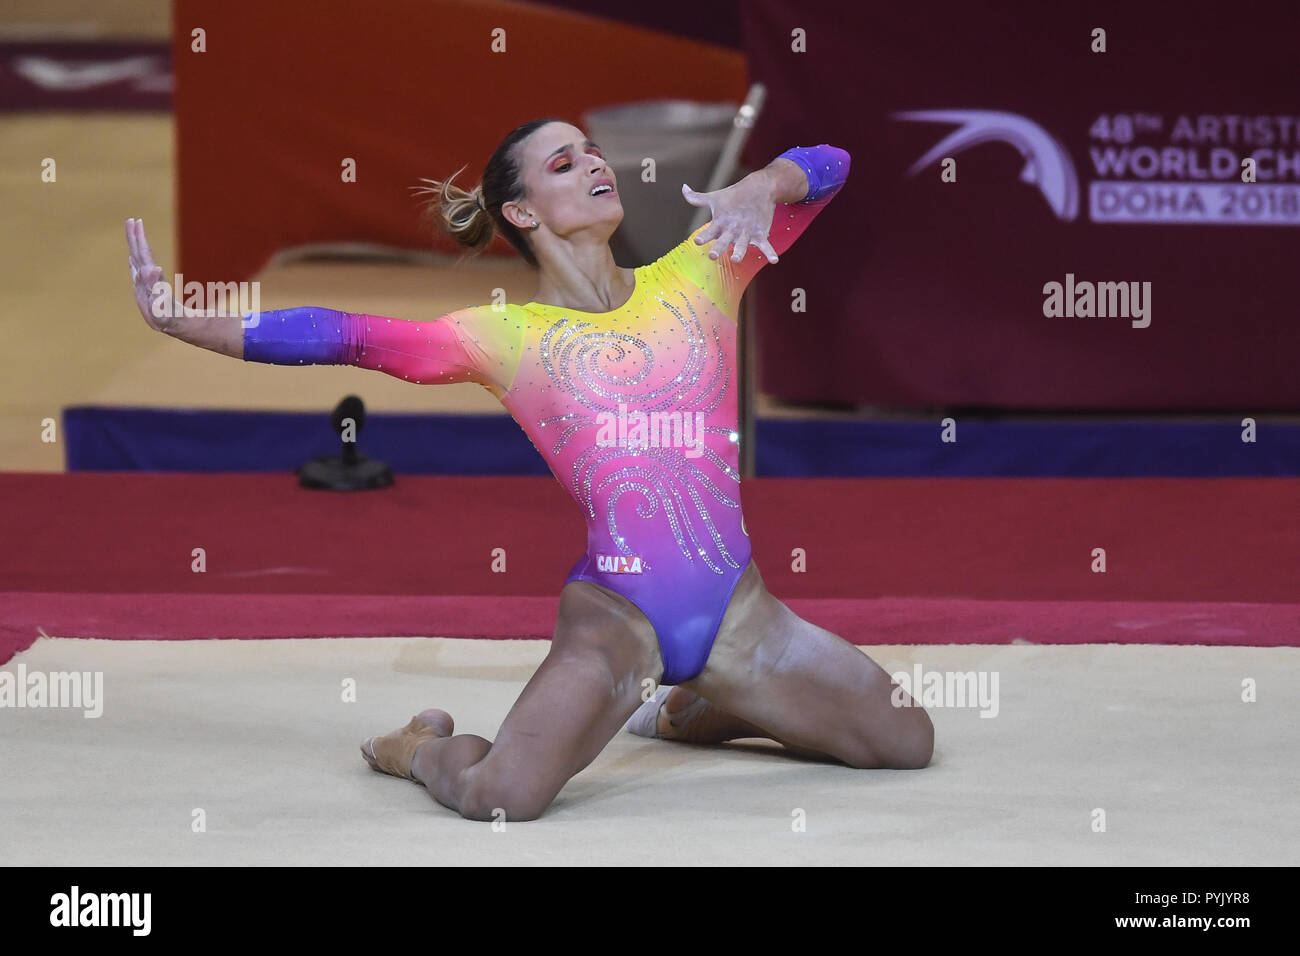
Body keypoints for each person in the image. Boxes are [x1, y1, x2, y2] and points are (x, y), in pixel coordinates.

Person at [124, 118, 932, 822]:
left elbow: (831, 163)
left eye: (591, 152)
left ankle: (704, 707)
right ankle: (417, 749)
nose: (592, 165)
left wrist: (764, 182)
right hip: (619, 621)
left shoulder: (703, 270)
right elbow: (346, 335)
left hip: (739, 613)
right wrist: (183, 320)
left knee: (906, 740)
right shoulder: (503, 337)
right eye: (562, 165)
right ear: (520, 213)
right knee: (498, 796)